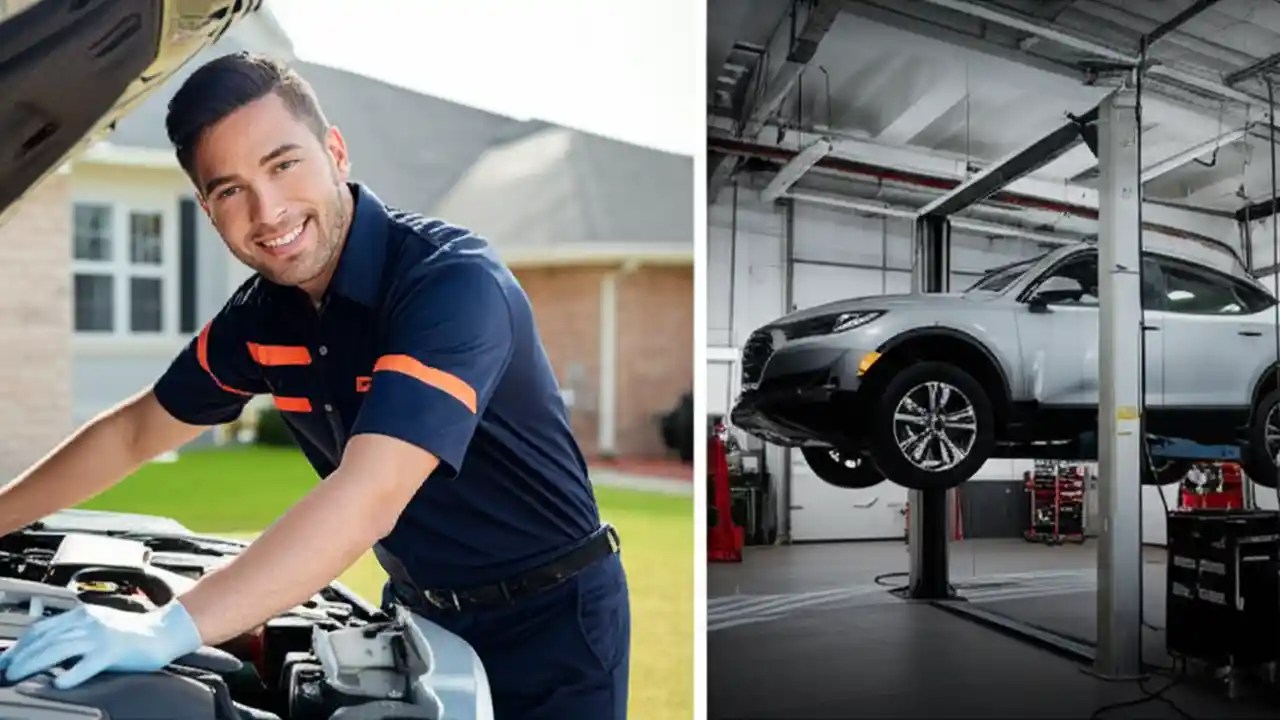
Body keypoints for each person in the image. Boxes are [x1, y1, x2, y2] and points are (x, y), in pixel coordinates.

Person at [0, 52, 630, 719]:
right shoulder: (262, 317)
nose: (268, 211)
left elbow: (369, 496)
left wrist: (167, 627)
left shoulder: (450, 285)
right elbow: (133, 433)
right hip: (419, 619)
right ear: (207, 209)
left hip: (551, 628)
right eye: (230, 190)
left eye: (283, 165)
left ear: (335, 152)